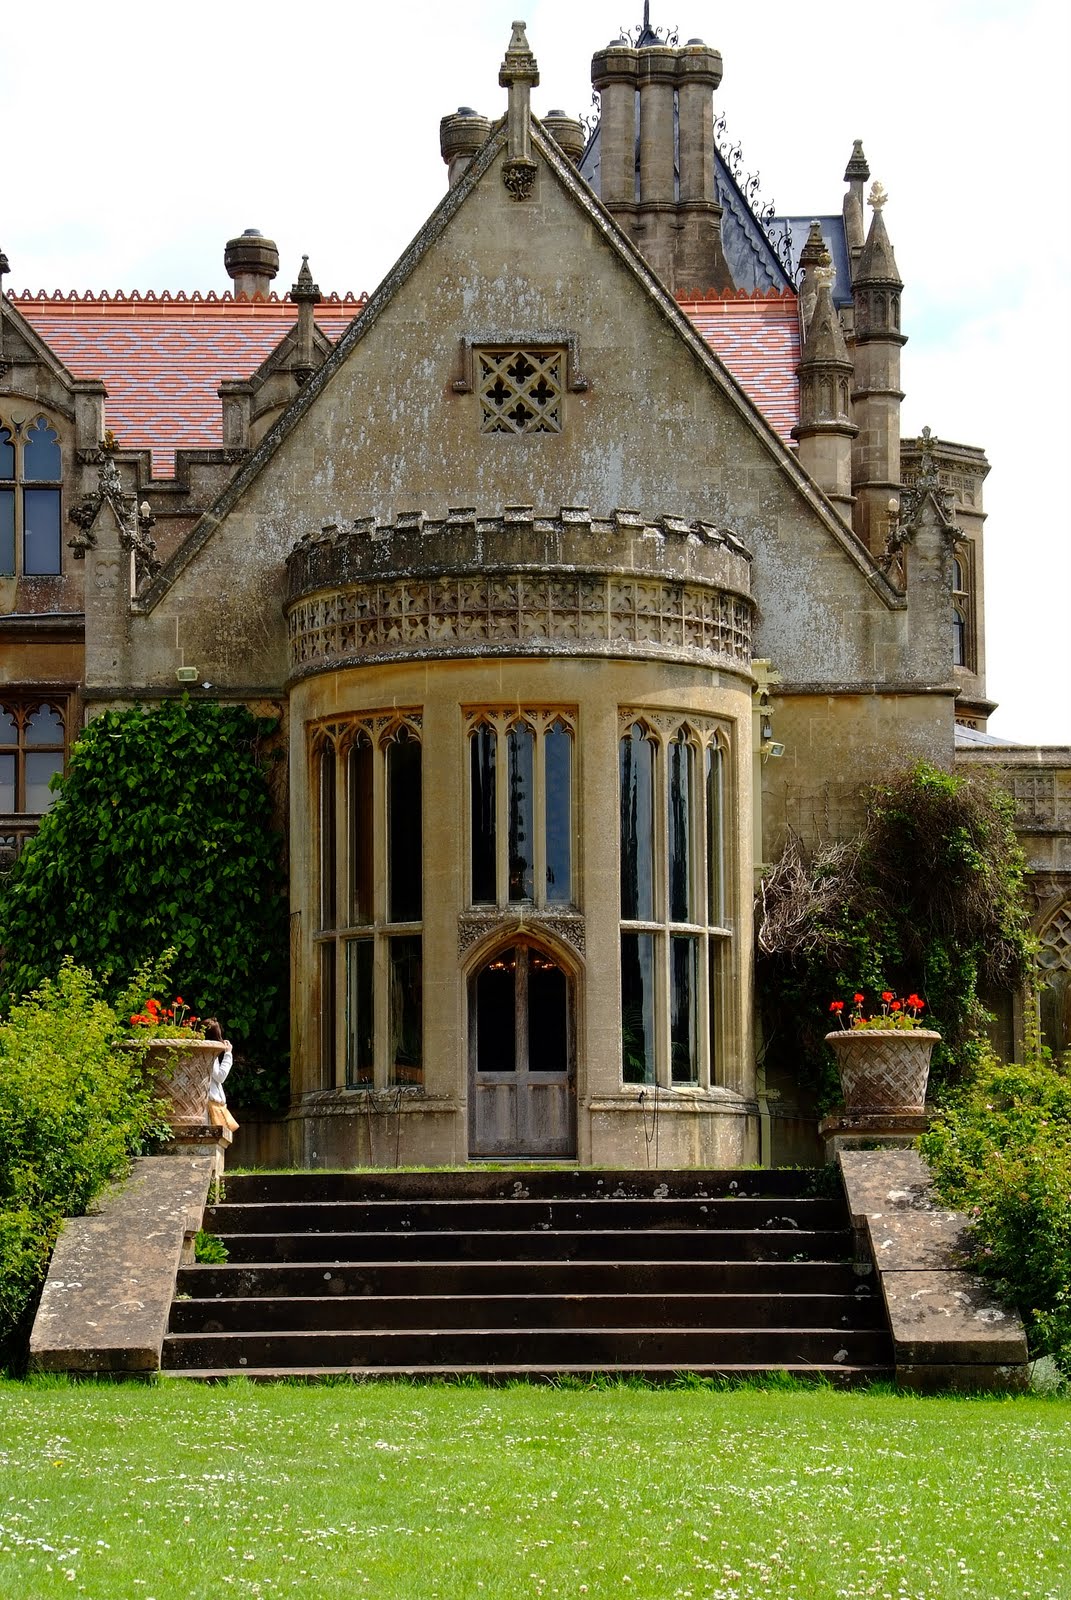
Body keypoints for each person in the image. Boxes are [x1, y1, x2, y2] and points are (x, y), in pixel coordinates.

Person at [203, 1018, 239, 1132]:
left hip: (212, 1105)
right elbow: (220, 1076)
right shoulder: (208, 1053)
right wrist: (228, 1053)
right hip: (210, 1106)